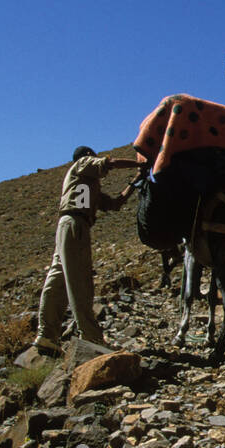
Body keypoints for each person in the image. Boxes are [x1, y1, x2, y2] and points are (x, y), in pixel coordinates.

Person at [32, 146, 141, 354]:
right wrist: (139, 164)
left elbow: (114, 204)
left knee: (57, 280)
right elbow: (108, 163)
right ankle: (91, 337)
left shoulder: (88, 185)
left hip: (66, 224)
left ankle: (47, 335)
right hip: (76, 224)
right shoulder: (82, 164)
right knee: (80, 280)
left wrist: (134, 182)